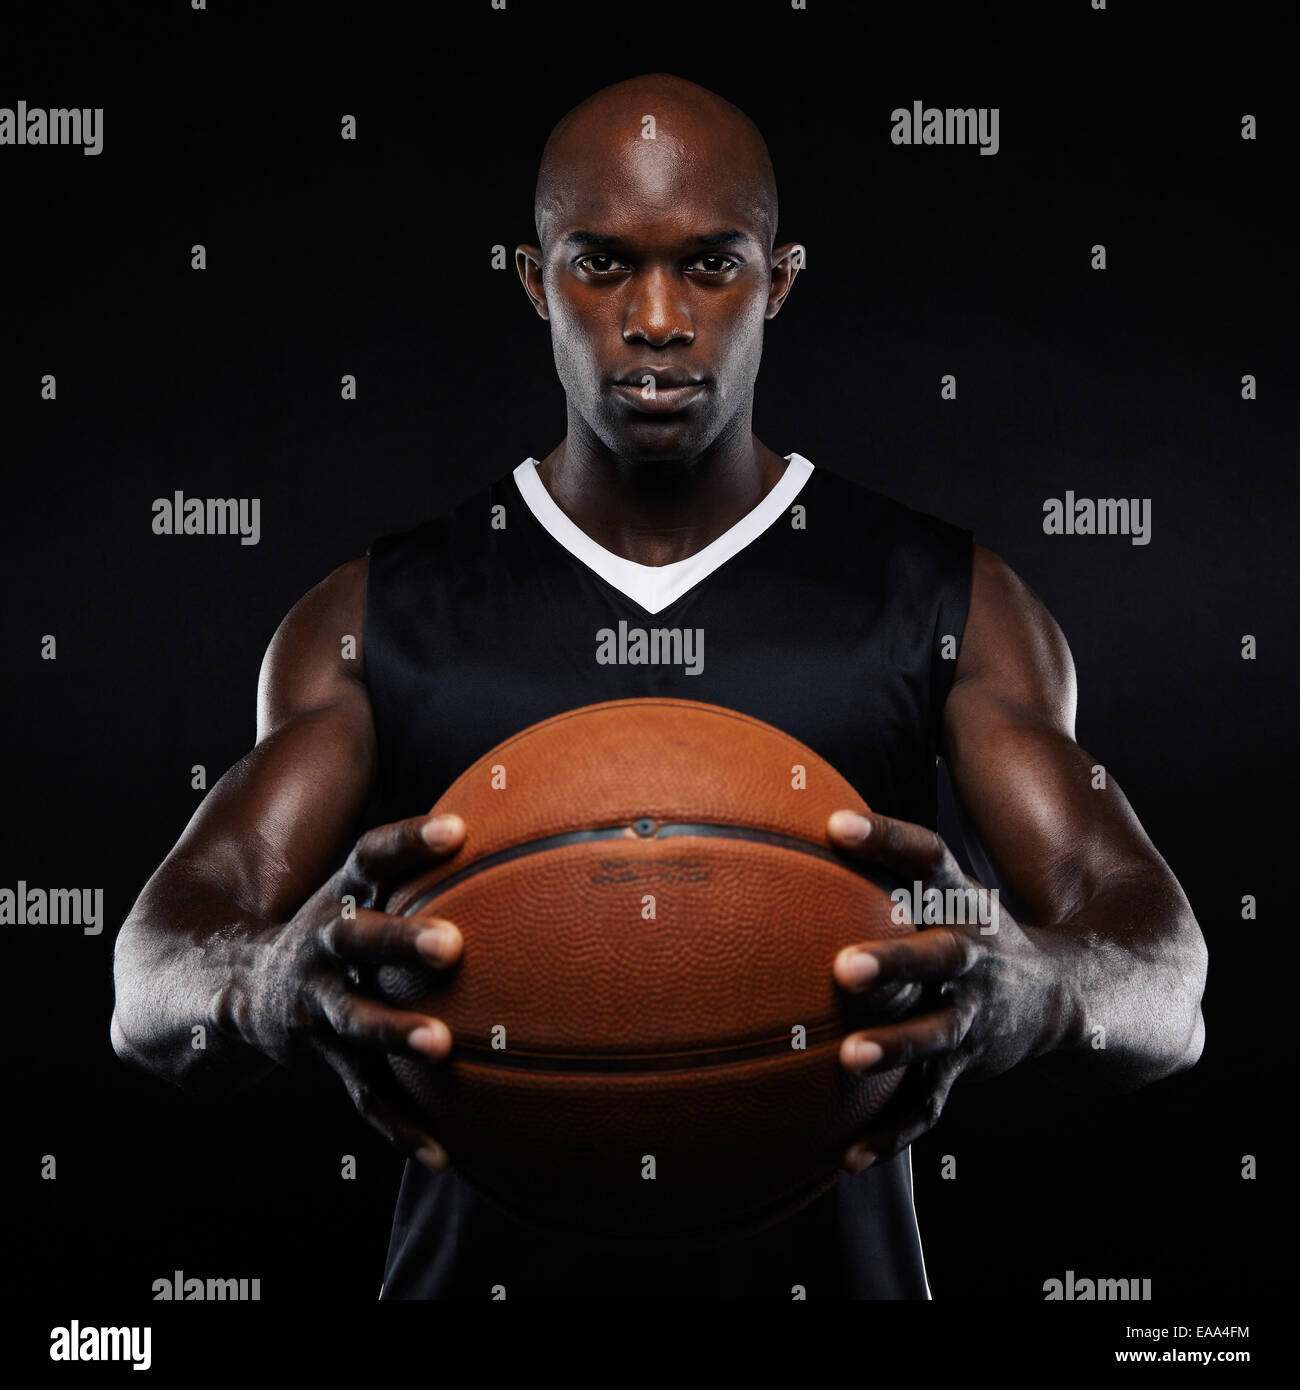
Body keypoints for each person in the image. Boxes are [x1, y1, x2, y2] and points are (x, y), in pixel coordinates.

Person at [111, 72, 1207, 1299]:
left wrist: (1045, 992)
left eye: (710, 264)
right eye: (598, 265)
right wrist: (262, 987)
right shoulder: (373, 616)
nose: (655, 319)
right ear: (533, 279)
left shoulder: (944, 597)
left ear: (777, 279)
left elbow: (1165, 981)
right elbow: (149, 982)